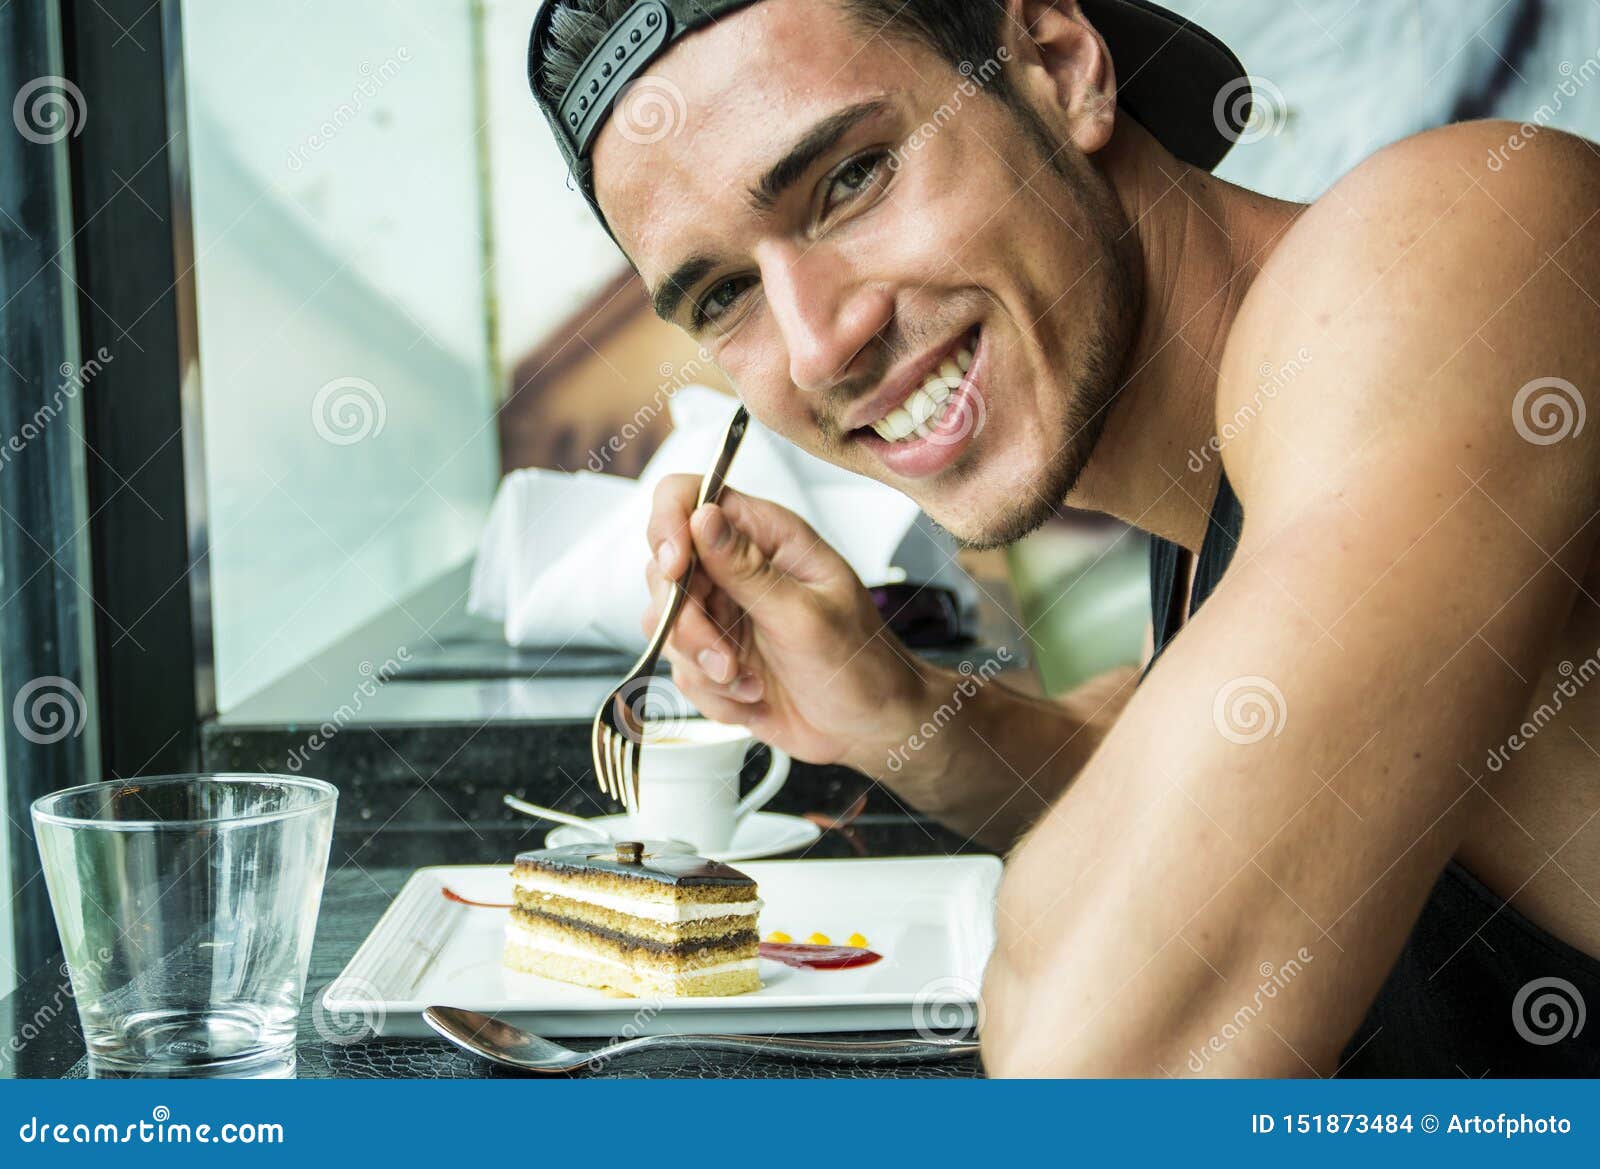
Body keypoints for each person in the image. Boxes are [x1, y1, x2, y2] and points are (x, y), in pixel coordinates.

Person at [527, 0, 1600, 1075]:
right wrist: (900, 712)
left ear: (1057, 63)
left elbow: (1106, 1053)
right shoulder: (1233, 480)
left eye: (851, 179)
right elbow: (1235, 806)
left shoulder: (1461, 247)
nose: (816, 346)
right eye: (724, 293)